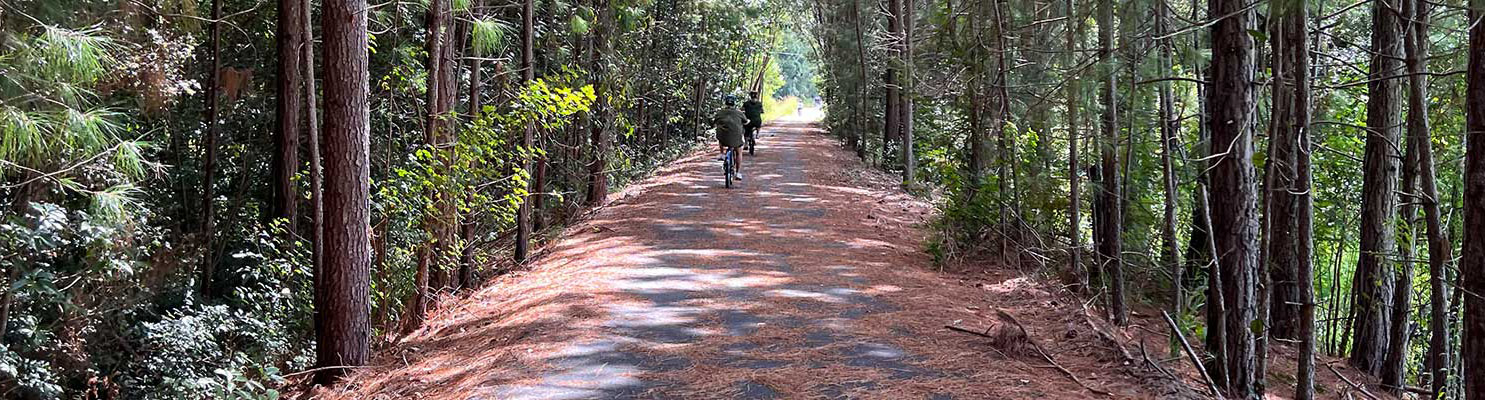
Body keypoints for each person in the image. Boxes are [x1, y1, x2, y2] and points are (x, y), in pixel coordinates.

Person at [713, 95, 748, 180]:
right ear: (734, 103)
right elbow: (746, 122)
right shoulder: (739, 113)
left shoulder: (720, 113)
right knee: (739, 152)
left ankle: (722, 153)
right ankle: (738, 172)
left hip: (723, 139)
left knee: (720, 133)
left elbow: (715, 122)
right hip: (736, 139)